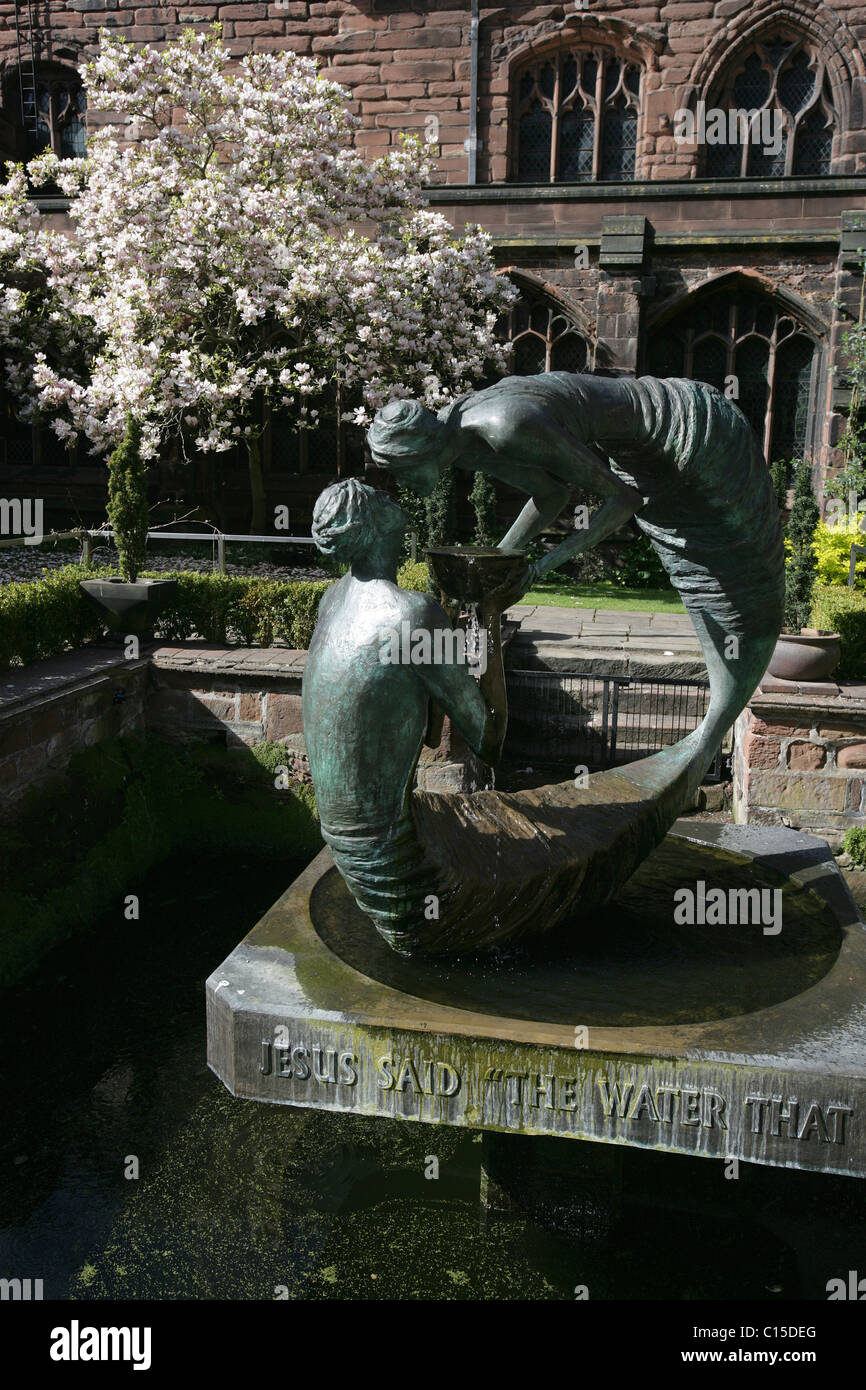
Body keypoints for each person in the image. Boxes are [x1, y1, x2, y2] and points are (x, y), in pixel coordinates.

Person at [367, 372, 785, 753]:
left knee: (732, 576)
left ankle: (708, 739)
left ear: (422, 449)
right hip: (639, 450)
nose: (402, 485)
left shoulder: (504, 427)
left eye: (402, 472)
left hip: (687, 432)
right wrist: (501, 557)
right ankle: (704, 743)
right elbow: (551, 496)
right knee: (710, 581)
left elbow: (622, 500)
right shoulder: (460, 438)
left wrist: (539, 567)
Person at [302, 478, 519, 954]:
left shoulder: (332, 599)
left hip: (346, 848)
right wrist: (492, 610)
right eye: (382, 498)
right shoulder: (413, 614)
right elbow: (490, 741)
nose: (393, 500)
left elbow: (428, 732)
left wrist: (447, 646)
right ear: (377, 526)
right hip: (395, 867)